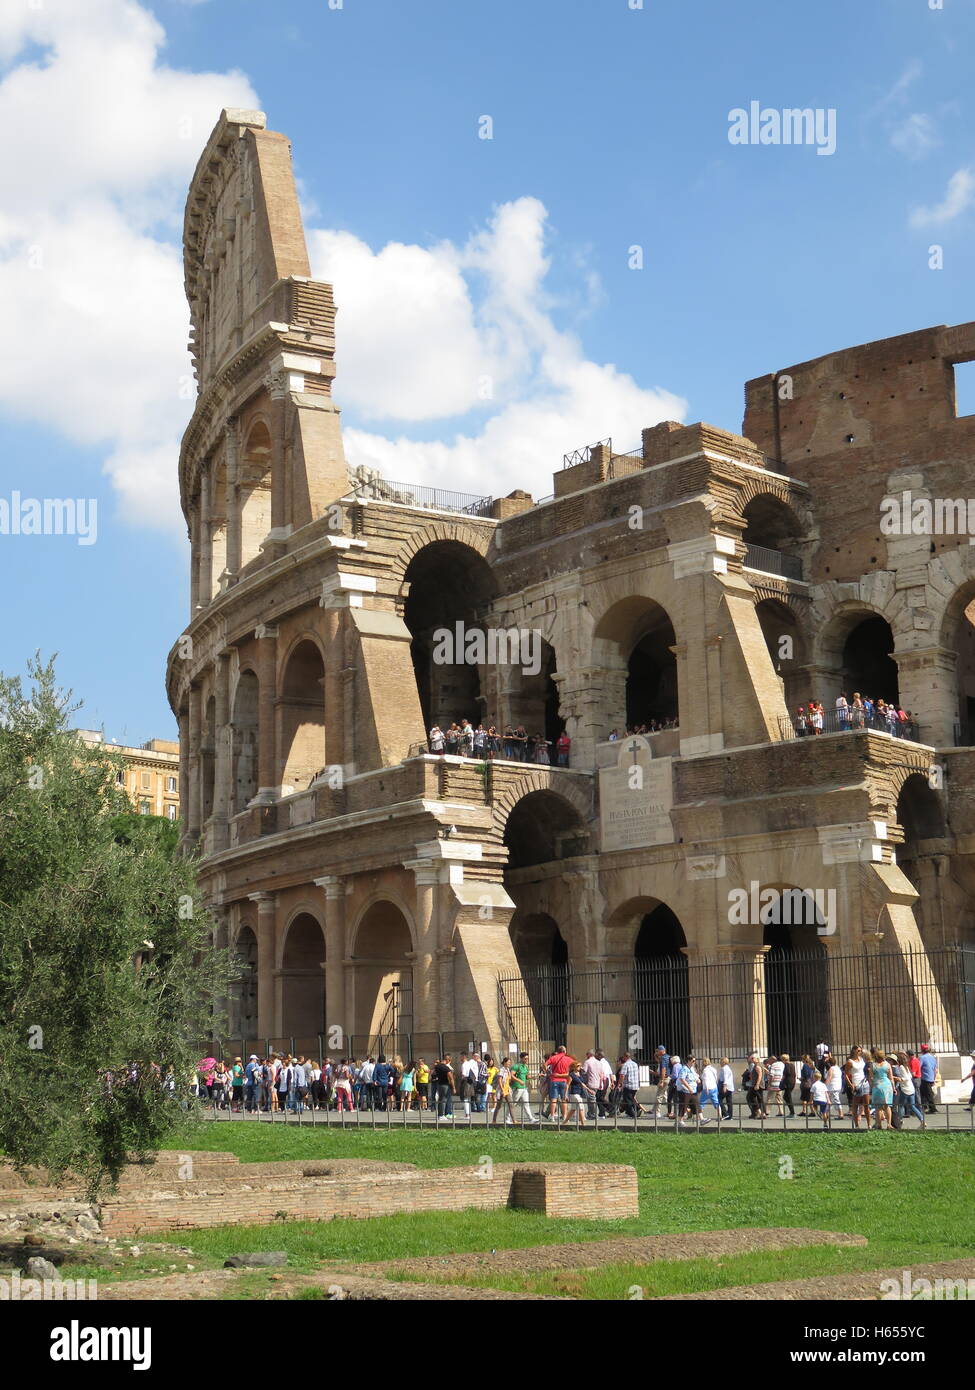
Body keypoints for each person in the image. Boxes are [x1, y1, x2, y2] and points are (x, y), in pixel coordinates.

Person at [545, 1045, 576, 1122]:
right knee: (564, 1099)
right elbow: (576, 1066)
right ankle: (565, 1116)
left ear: (557, 1051)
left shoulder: (553, 1058)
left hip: (554, 1080)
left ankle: (552, 1116)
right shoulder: (569, 1059)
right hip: (564, 1080)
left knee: (553, 1099)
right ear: (564, 1051)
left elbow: (544, 1064)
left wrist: (548, 1072)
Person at [894, 1052, 925, 1126]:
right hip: (911, 1089)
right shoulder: (906, 1067)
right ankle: (922, 1120)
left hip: (905, 1089)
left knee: (901, 1105)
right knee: (912, 1106)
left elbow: (905, 1078)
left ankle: (900, 1120)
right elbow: (910, 1077)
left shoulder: (901, 1067)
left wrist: (895, 1078)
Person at [869, 1047, 894, 1130]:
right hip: (887, 1086)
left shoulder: (873, 1065)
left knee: (878, 1107)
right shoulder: (887, 1065)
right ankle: (889, 1124)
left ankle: (879, 1124)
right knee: (887, 1106)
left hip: (877, 1086)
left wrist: (871, 1088)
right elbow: (891, 1078)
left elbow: (871, 1078)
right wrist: (894, 1088)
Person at [846, 1047, 870, 1129]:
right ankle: (856, 1125)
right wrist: (851, 1084)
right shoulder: (850, 1061)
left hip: (864, 1083)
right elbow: (845, 1074)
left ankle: (869, 1125)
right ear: (854, 1051)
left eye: (860, 1051)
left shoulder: (861, 1059)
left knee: (866, 1105)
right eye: (859, 1051)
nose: (860, 1052)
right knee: (855, 1105)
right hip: (856, 1084)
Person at [509, 1052, 536, 1124]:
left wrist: (534, 1077)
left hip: (524, 1088)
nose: (527, 1060)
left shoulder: (526, 1067)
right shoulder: (516, 1066)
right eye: (525, 1058)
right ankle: (507, 1119)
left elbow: (527, 1076)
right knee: (513, 1104)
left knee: (526, 1103)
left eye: (527, 1058)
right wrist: (519, 1081)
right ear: (521, 1058)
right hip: (517, 1087)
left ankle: (531, 1119)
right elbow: (511, 1075)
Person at [677, 1056, 701, 1126]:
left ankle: (701, 1119)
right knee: (684, 1105)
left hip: (693, 1090)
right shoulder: (684, 1069)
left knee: (696, 1104)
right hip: (685, 1091)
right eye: (693, 1061)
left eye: (694, 1061)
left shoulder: (692, 1069)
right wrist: (689, 1087)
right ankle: (680, 1121)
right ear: (689, 1061)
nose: (694, 1062)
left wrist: (697, 1079)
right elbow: (682, 1079)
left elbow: (695, 1076)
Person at [618, 1051, 640, 1119]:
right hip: (635, 1085)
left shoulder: (626, 1065)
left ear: (625, 1057)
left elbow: (622, 1076)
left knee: (627, 1101)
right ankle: (637, 1109)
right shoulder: (635, 1064)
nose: (623, 1058)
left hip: (628, 1085)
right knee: (631, 1099)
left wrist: (619, 1084)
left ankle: (633, 1114)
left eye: (624, 1057)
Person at [699, 1057, 721, 1124]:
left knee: (701, 1103)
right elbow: (716, 1078)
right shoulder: (713, 1069)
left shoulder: (705, 1070)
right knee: (716, 1102)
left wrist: (707, 1088)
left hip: (707, 1088)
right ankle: (720, 1115)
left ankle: (700, 1116)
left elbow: (706, 1080)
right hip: (714, 1087)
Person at [918, 1044, 939, 1114]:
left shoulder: (922, 1058)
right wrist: (934, 1078)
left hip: (925, 1077)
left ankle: (933, 1108)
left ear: (922, 1050)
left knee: (928, 1094)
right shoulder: (932, 1057)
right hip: (931, 1077)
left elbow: (919, 1067)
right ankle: (924, 1107)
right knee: (923, 1093)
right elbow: (935, 1069)